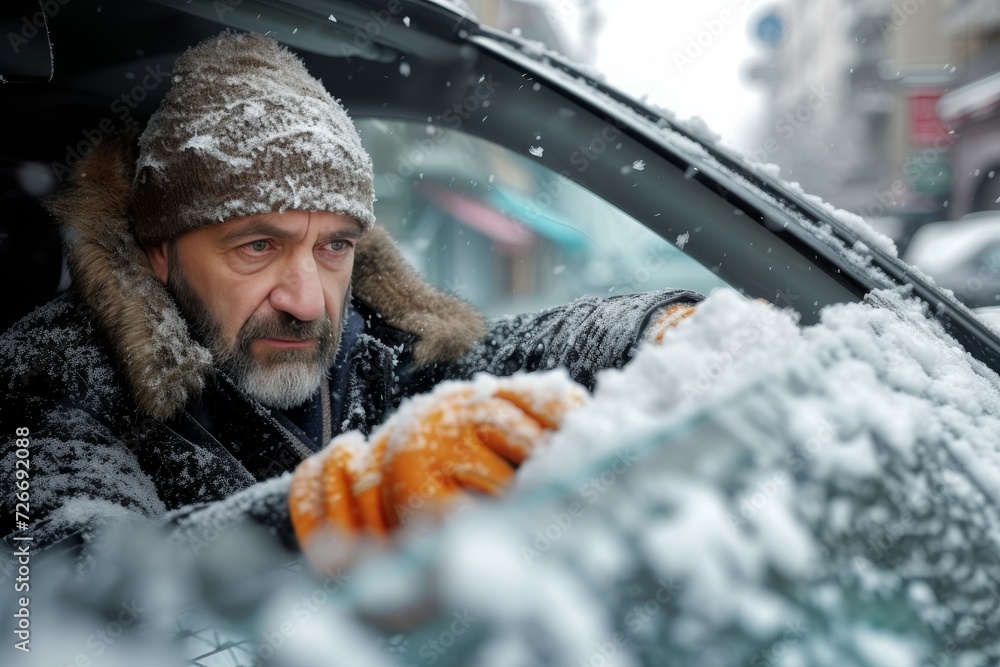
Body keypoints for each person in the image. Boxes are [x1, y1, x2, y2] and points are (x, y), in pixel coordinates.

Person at [0, 31, 700, 565]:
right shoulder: (47, 376)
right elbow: (64, 582)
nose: (308, 300)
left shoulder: (376, 349)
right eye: (257, 246)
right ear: (160, 252)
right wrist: (327, 514)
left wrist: (655, 331)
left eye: (334, 246)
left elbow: (510, 353)